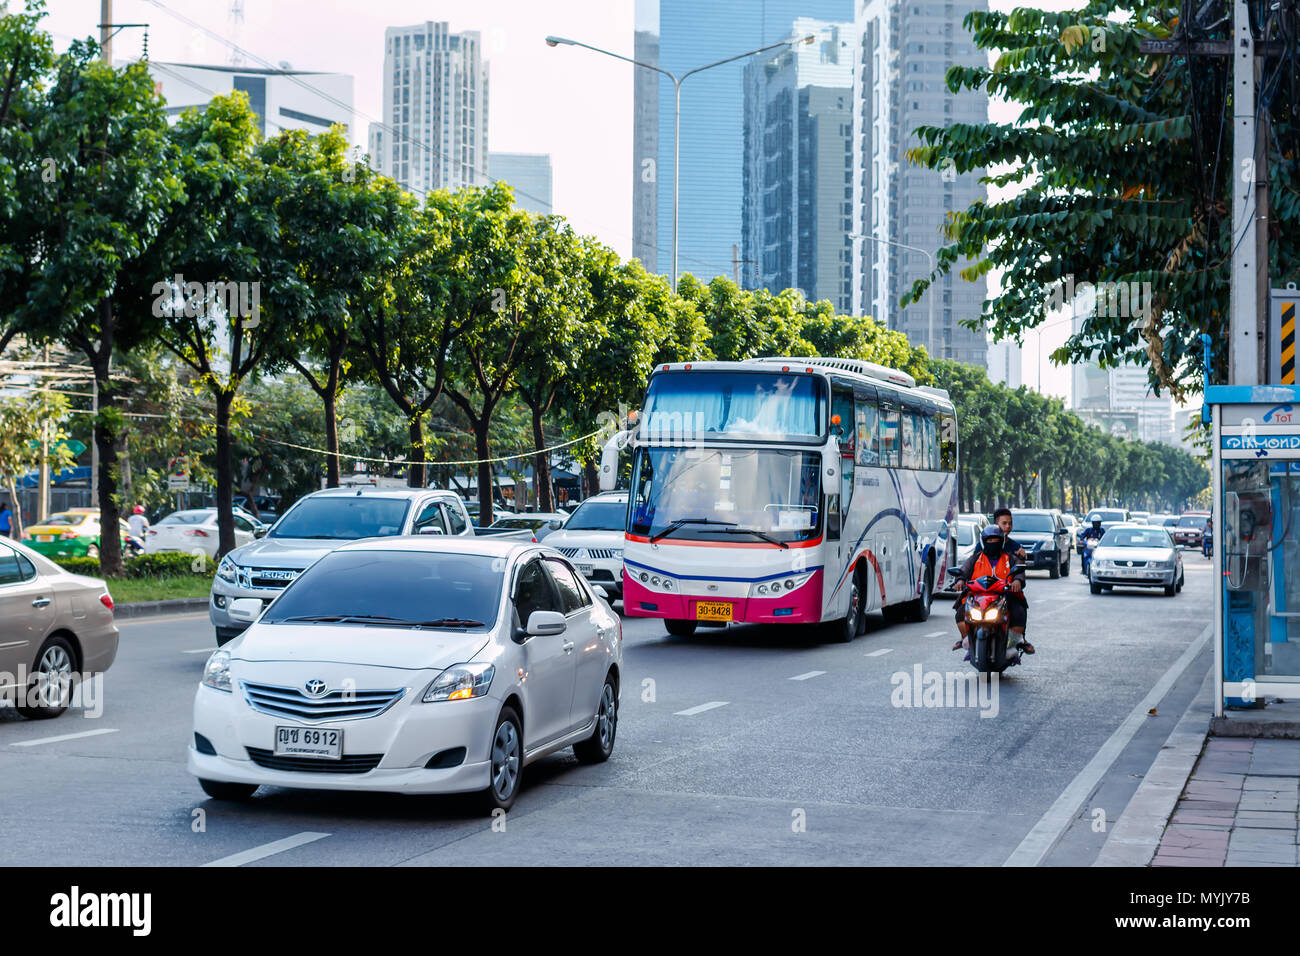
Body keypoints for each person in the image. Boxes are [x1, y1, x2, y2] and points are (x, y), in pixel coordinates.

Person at [952, 524, 1033, 655]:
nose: (992, 543)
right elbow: (964, 571)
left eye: (996, 541)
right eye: (989, 540)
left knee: (1019, 610)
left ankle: (1016, 641)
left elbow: (1019, 572)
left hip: (1005, 596)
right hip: (978, 597)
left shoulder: (1009, 558)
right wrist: (960, 581)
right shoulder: (975, 558)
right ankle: (966, 638)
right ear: (983, 542)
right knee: (961, 612)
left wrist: (1017, 581)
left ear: (1001, 542)